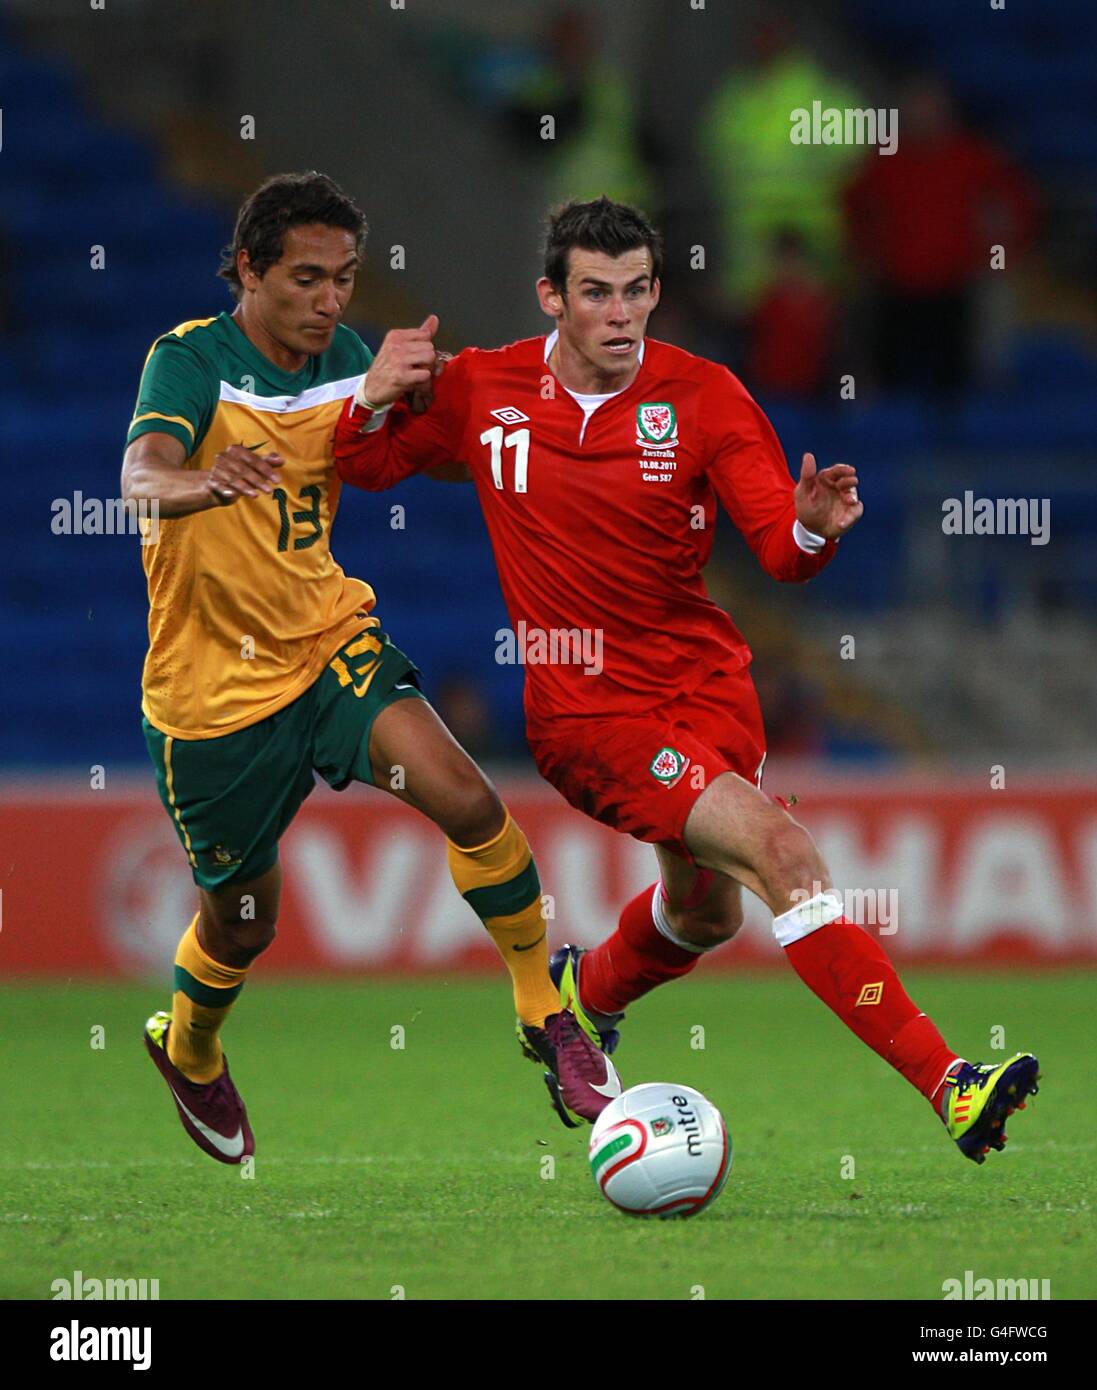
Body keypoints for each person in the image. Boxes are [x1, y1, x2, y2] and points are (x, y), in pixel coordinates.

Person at [332, 196, 1040, 1161]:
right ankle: (950, 1082)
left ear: (656, 292)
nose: (619, 313)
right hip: (588, 712)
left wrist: (810, 529)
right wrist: (371, 394)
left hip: (707, 692)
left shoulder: (704, 396)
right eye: (596, 292)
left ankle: (582, 995)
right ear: (551, 297)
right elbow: (366, 464)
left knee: (705, 911)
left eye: (636, 291)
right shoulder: (482, 389)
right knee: (782, 852)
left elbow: (780, 549)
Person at [120, 172, 617, 1164]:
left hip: (326, 644)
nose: (330, 300)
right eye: (306, 278)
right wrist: (203, 481)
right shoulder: (189, 360)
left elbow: (433, 450)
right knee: (242, 922)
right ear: (250, 270)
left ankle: (542, 1011)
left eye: (344, 278)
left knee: (468, 800)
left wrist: (512, 433)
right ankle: (190, 1045)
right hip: (210, 697)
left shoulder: (348, 360)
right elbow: (140, 474)